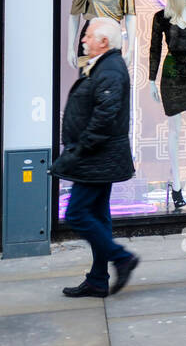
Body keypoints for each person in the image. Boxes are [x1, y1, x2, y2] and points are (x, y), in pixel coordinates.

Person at [52, 17, 140, 297]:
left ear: (104, 41)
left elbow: (104, 117)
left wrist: (79, 149)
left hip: (97, 157)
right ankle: (98, 279)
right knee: (98, 216)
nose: (83, 40)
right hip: (98, 156)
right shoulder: (103, 65)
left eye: (88, 36)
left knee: (77, 214)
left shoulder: (110, 69)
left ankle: (121, 257)